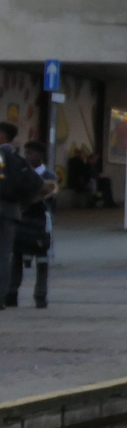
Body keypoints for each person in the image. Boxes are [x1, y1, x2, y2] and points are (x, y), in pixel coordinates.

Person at [0, 124, 45, 309]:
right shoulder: (17, 158)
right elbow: (36, 183)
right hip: (10, 212)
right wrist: (21, 203)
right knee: (4, 256)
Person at [7, 141, 57, 308]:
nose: (27, 157)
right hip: (21, 220)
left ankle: (40, 295)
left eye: (31, 153)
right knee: (16, 256)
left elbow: (47, 196)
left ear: (40, 156)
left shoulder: (48, 175)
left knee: (42, 259)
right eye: (26, 153)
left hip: (40, 221)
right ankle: (11, 293)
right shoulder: (21, 172)